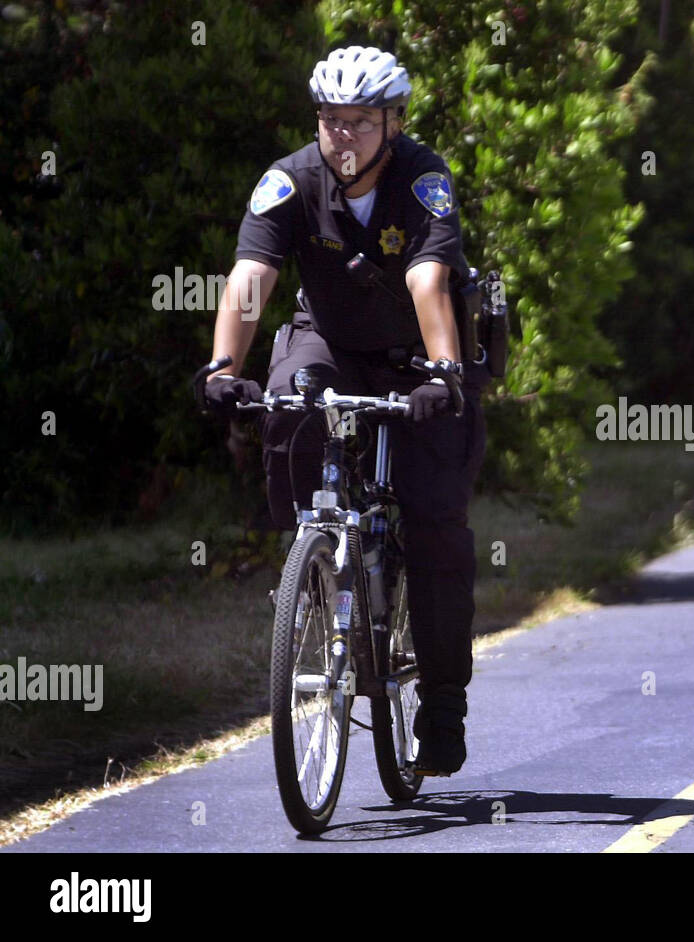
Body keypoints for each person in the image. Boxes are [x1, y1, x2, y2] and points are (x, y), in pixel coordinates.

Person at [202, 46, 488, 777]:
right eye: (330, 120)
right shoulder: (290, 179)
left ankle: (444, 705)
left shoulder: (423, 179)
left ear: (394, 123)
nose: (343, 137)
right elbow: (251, 276)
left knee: (435, 527)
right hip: (327, 336)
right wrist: (224, 367)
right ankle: (320, 552)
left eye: (360, 122)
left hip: (420, 354)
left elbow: (428, 277)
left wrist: (446, 373)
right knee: (290, 405)